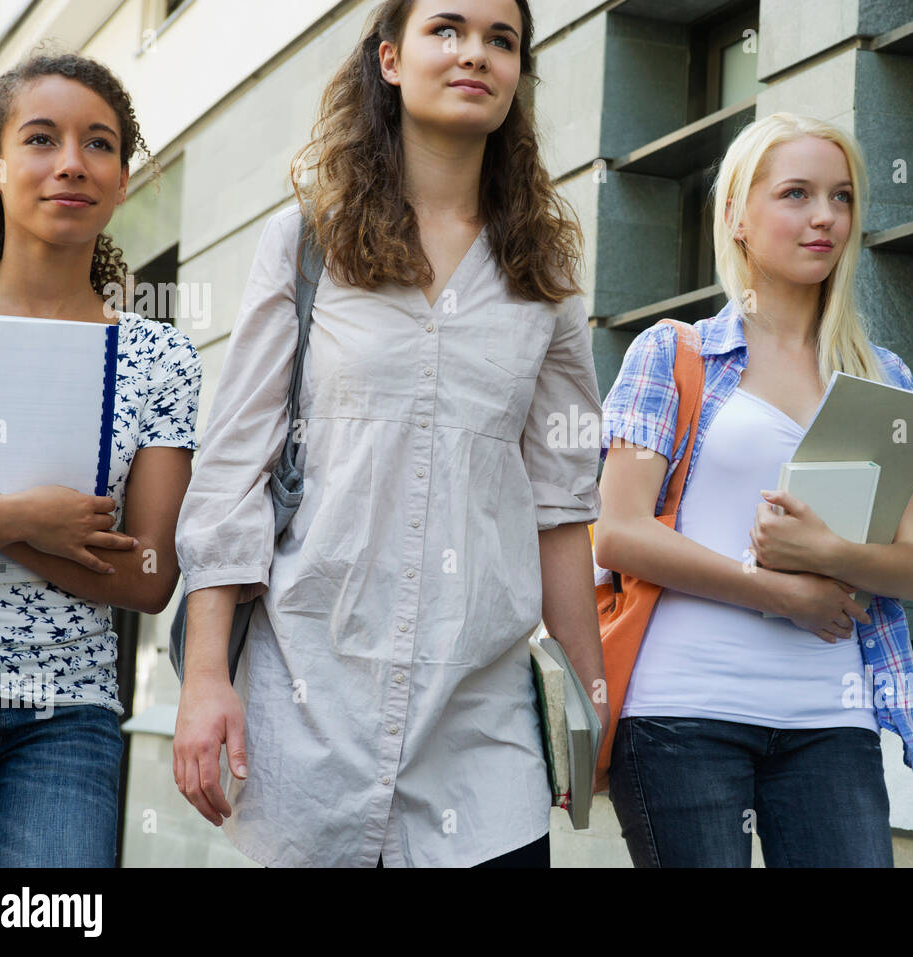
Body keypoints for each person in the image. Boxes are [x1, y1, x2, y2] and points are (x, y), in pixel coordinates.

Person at [172, 0, 606, 868]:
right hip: (307, 718)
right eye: (446, 29)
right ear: (392, 60)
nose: (474, 52)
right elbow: (232, 471)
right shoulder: (304, 246)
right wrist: (205, 677)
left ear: (519, 75)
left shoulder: (545, 282)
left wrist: (591, 701)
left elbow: (560, 509)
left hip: (481, 735)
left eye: (501, 39)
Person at [593, 113, 913, 868]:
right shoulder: (673, 352)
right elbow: (618, 531)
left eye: (841, 196)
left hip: (832, 718)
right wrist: (775, 590)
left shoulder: (881, 378)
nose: (825, 216)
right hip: (681, 714)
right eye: (796, 193)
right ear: (737, 217)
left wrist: (825, 551)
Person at [0, 53, 202, 867]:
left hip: (66, 719)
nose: (71, 163)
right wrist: (33, 518)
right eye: (40, 139)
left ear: (122, 179)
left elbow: (151, 575)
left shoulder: (160, 356)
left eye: (99, 144)